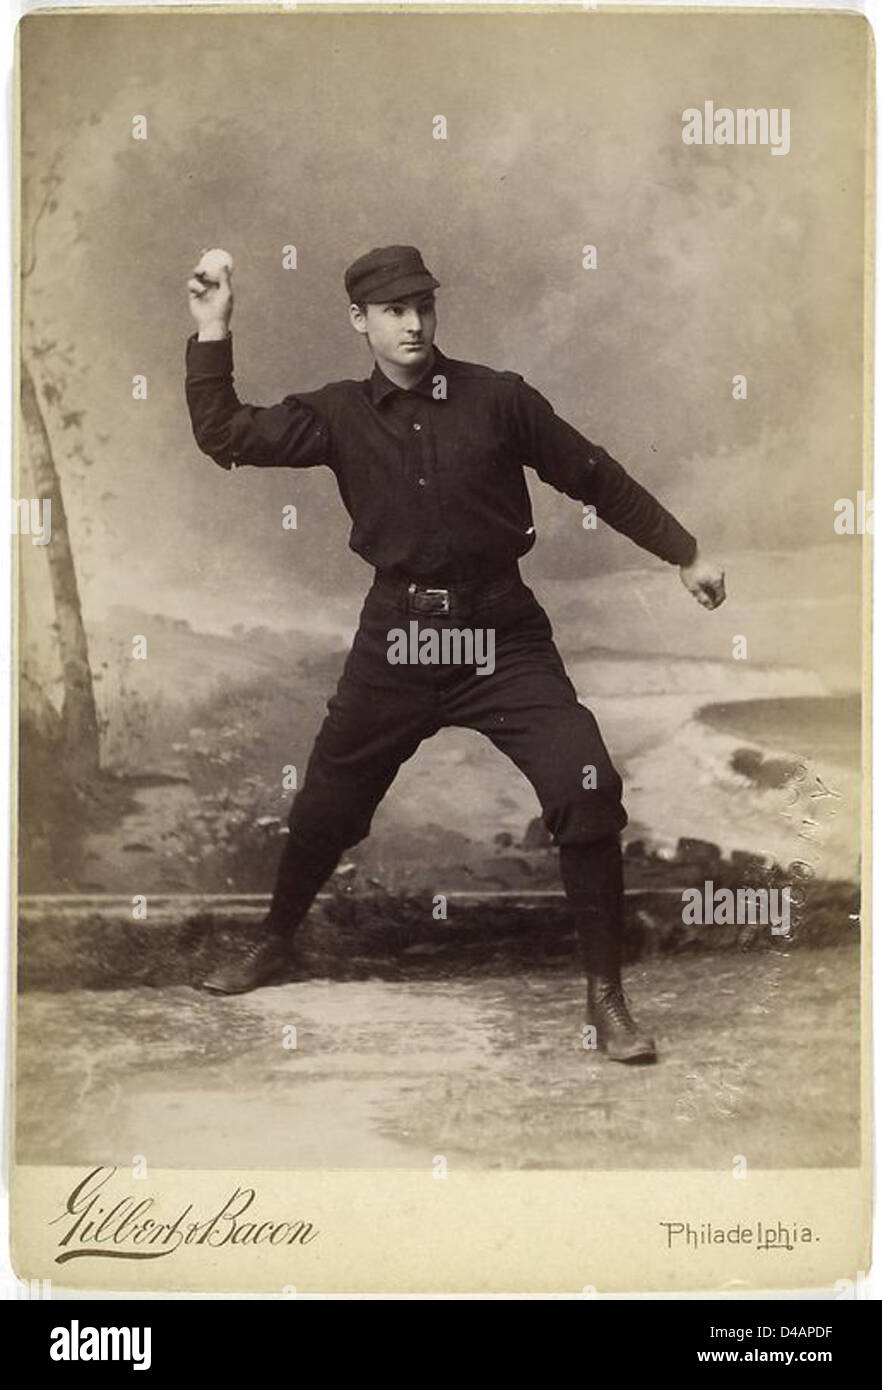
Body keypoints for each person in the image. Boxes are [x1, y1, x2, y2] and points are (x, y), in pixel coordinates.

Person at [185, 244, 726, 1063]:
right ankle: (275, 939)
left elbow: (594, 475)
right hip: (396, 640)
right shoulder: (335, 413)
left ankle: (607, 996)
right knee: (329, 803)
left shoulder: (499, 399)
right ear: (359, 321)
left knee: (589, 786)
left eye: (423, 307)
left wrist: (684, 552)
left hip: (500, 635)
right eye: (393, 310)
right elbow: (225, 435)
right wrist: (212, 328)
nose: (412, 322)